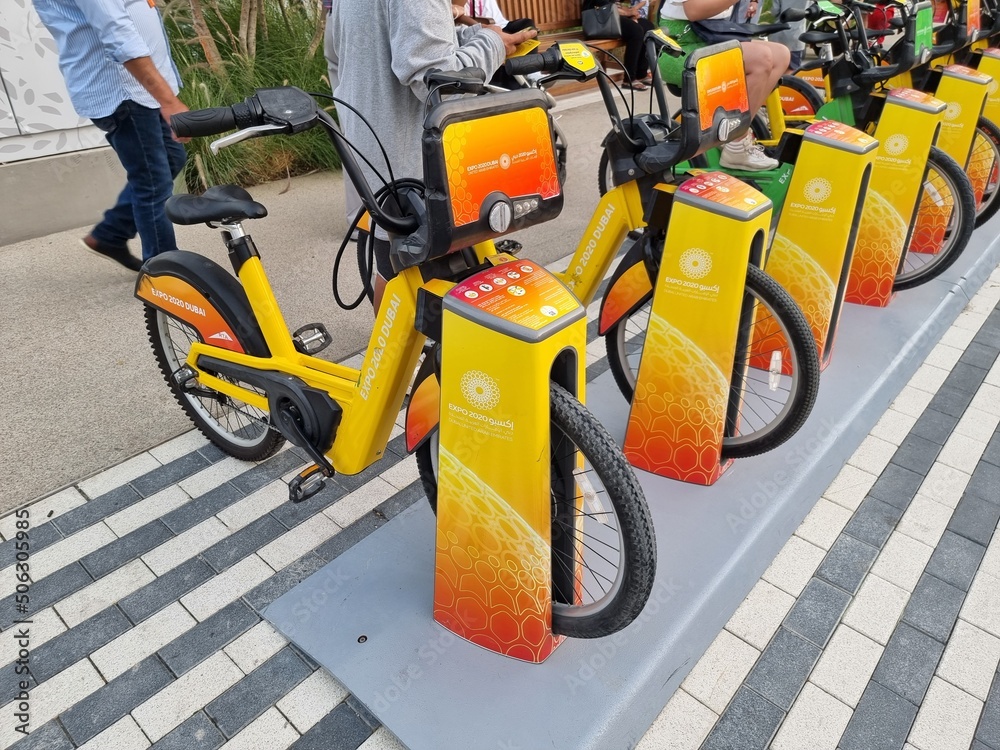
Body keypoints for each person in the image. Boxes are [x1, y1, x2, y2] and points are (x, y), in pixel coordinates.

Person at [327, 0, 536, 309]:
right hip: (415, 162)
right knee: (432, 287)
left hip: (378, 146)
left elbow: (392, 40)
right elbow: (438, 82)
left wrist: (479, 34)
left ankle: (390, 342)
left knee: (395, 271)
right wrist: (493, 45)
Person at [33, 0, 189, 271]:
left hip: (140, 89)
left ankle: (110, 234)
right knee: (152, 182)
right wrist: (169, 101)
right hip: (123, 90)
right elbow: (118, 34)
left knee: (171, 158)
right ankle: (164, 273)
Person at [657, 0, 790, 170]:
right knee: (761, 58)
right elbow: (694, 10)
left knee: (781, 54)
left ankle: (734, 132)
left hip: (709, 35)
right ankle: (737, 144)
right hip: (679, 47)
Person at [618, 1, 658, 89]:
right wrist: (628, 13)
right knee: (635, 30)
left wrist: (631, 13)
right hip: (601, 19)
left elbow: (618, 5)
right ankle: (629, 79)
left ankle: (641, 74)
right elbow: (604, 7)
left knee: (648, 26)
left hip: (615, 15)